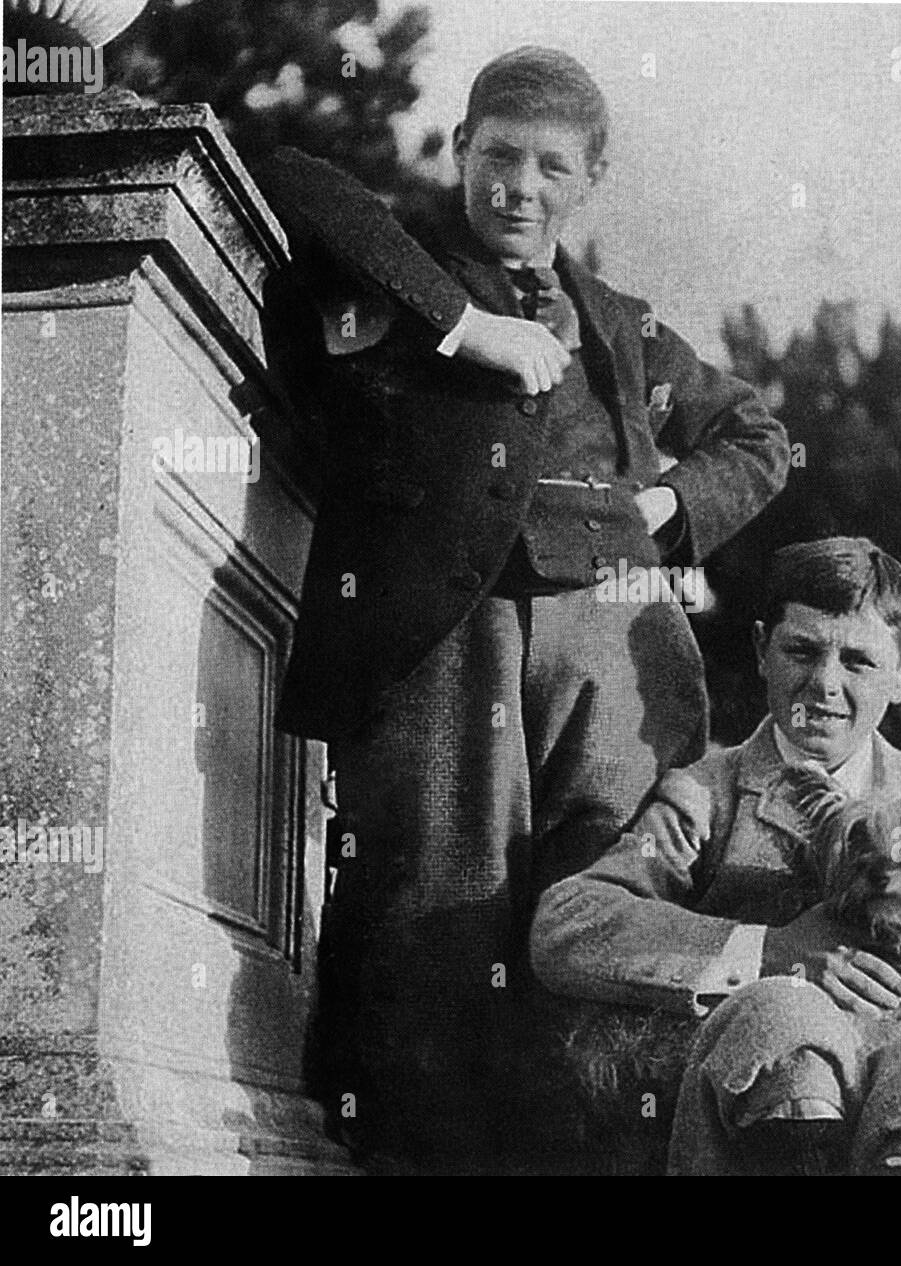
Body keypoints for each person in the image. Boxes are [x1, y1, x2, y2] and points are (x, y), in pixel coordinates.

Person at [254, 46, 789, 1170]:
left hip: (619, 639)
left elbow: (758, 437)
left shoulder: (625, 326)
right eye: (498, 156)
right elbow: (294, 177)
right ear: (460, 152)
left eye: (552, 167)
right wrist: (465, 326)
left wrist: (664, 506)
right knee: (440, 899)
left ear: (590, 179)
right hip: (455, 632)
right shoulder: (401, 282)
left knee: (607, 900)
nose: (519, 189)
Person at [531, 537, 901, 1175]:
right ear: (761, 650)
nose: (824, 683)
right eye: (801, 650)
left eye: (858, 661)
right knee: (782, 1017)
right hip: (756, 1102)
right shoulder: (708, 795)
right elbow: (566, 925)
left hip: (890, 1093)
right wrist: (765, 950)